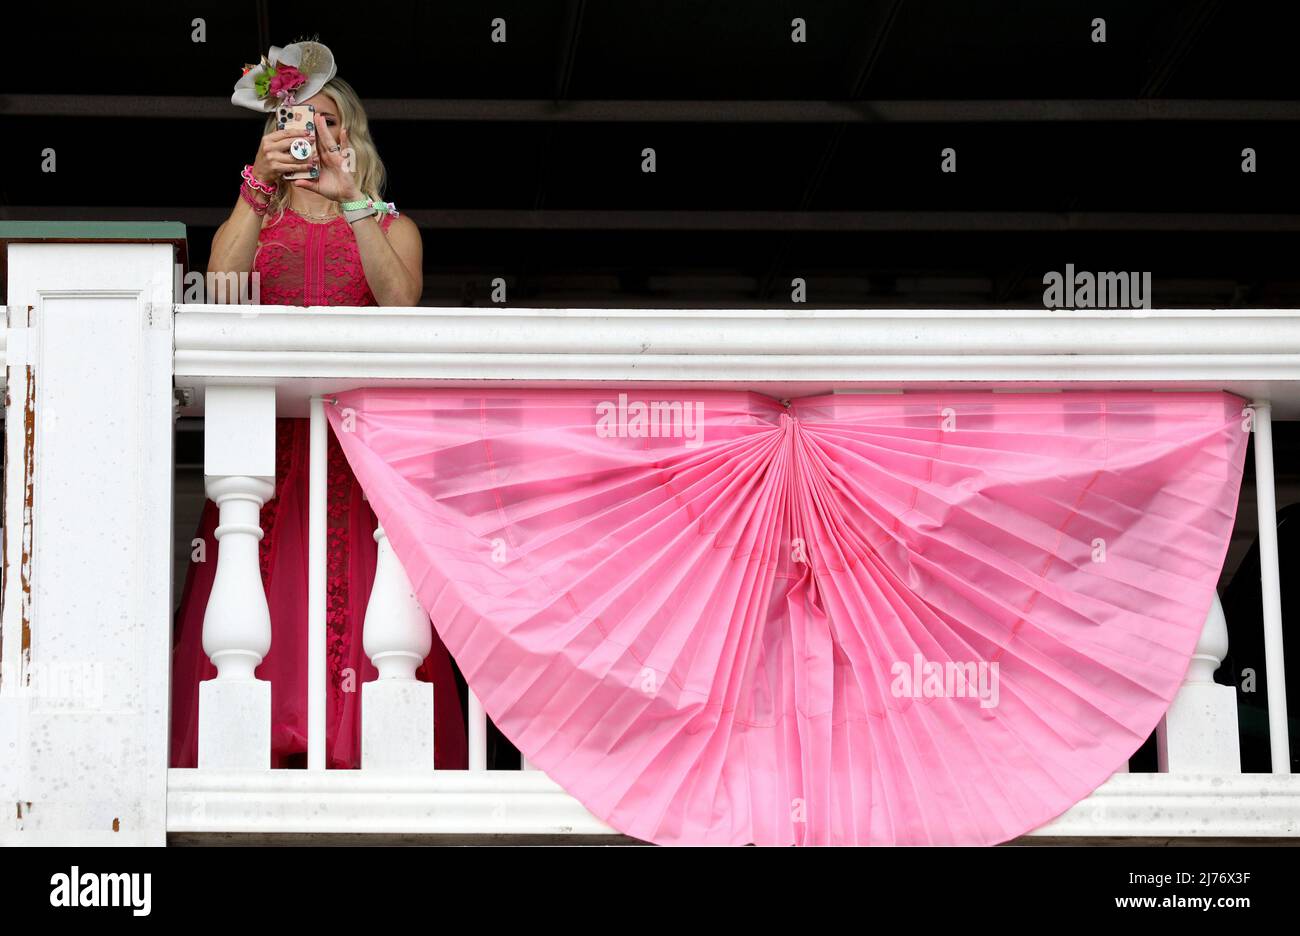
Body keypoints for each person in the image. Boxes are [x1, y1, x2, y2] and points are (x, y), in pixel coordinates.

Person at [171, 40, 467, 769]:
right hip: (266, 447)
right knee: (261, 573)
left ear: (349, 134)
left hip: (359, 451)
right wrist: (254, 189)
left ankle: (362, 741)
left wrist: (352, 201)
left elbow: (400, 301)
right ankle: (264, 737)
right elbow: (220, 285)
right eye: (296, 122)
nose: (314, 133)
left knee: (370, 585)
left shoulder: (395, 225)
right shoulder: (258, 218)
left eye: (327, 122)